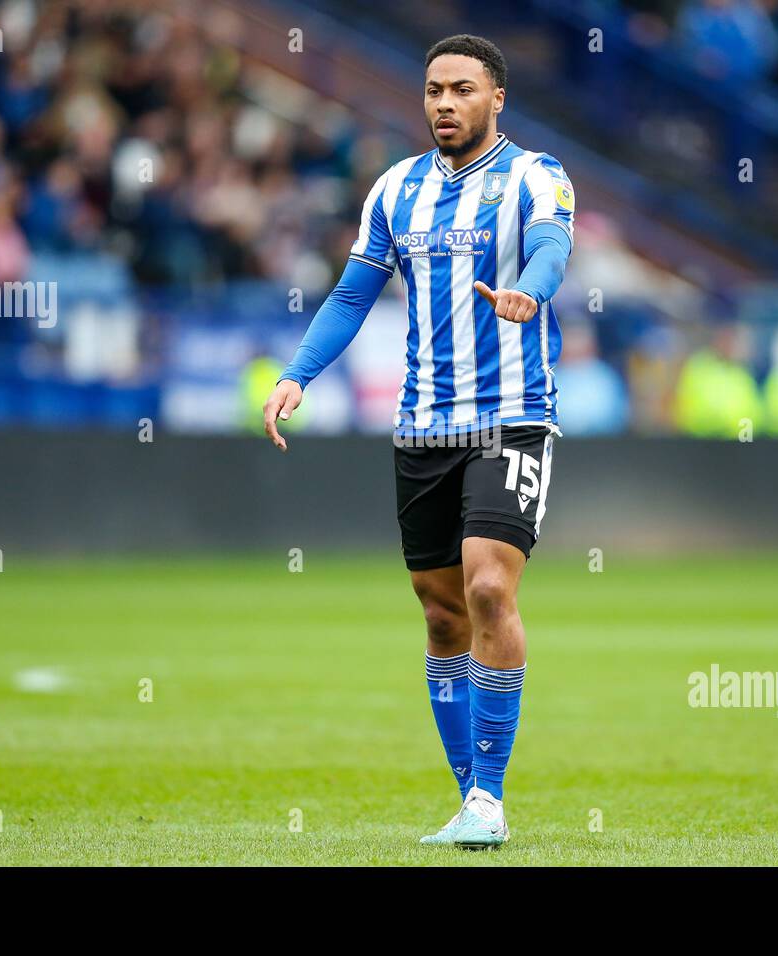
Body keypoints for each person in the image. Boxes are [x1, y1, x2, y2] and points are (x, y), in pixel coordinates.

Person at [261, 35, 575, 849]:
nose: (444, 103)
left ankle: (490, 801)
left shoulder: (537, 176)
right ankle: (471, 795)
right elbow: (353, 290)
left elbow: (552, 246)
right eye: (434, 90)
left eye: (462, 89)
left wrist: (527, 296)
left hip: (512, 415)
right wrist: (299, 373)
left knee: (488, 593)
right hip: (423, 429)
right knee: (441, 619)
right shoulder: (396, 190)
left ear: (495, 97)